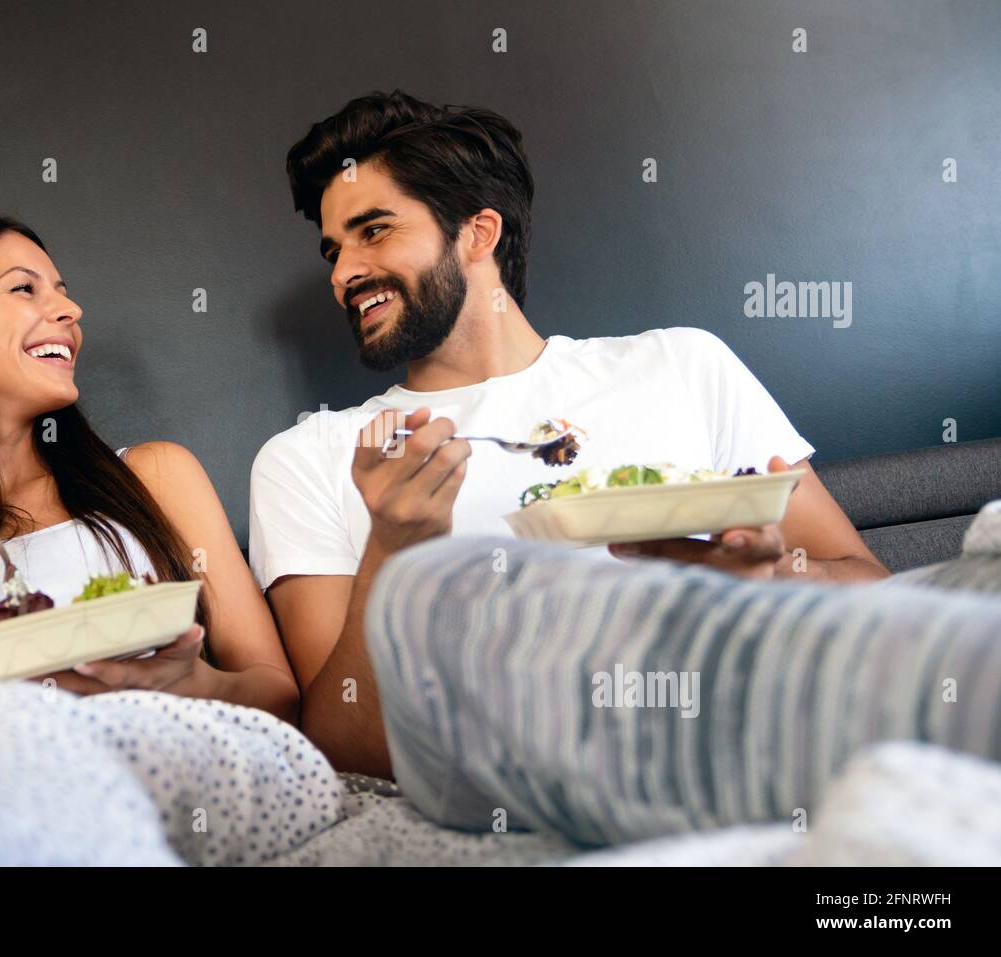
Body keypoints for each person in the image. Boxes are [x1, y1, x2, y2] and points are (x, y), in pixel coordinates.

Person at [249, 90, 889, 776]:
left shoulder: (680, 364)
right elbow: (342, 756)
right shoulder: (310, 457)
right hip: (528, 788)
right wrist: (393, 551)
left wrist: (771, 583)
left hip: (760, 744)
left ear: (478, 233)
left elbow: (875, 588)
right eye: (333, 250)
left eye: (373, 230)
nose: (343, 273)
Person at [0, 217, 298, 721]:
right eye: (24, 288)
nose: (71, 309)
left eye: (62, 292)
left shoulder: (157, 477)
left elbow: (278, 696)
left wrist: (193, 683)